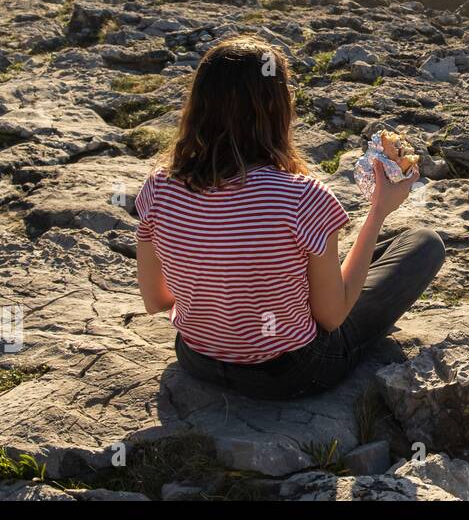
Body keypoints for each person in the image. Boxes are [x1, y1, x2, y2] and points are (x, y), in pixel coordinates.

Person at [133, 35, 443, 399]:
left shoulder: (159, 187)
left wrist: (218, 295)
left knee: (356, 254)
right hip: (293, 372)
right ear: (280, 109)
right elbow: (331, 317)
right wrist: (379, 209)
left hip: (197, 358)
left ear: (198, 106)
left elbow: (157, 301)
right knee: (423, 243)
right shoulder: (302, 196)